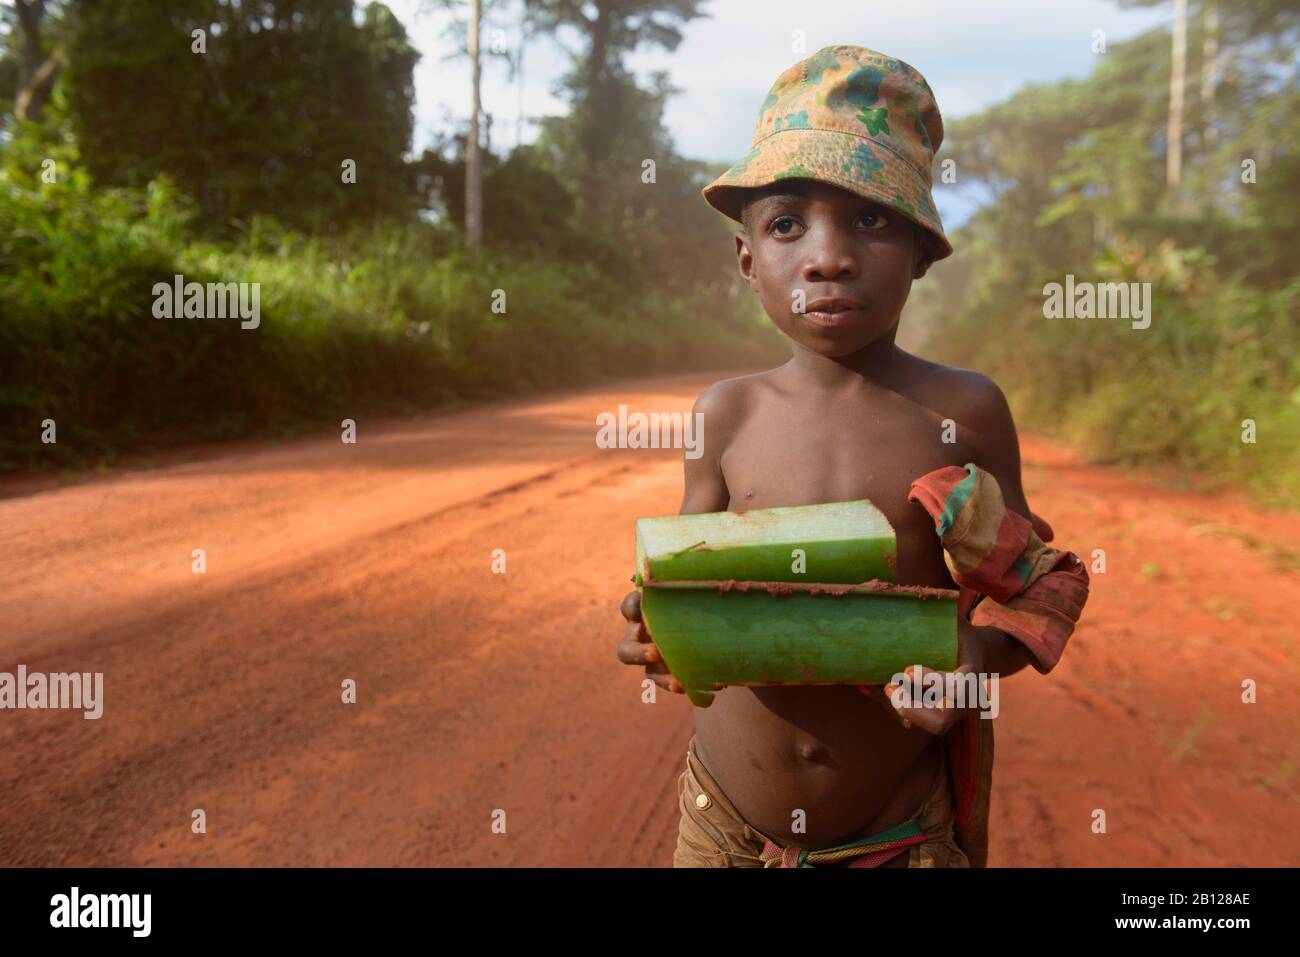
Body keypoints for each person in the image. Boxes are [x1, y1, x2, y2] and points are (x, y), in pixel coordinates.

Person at [615, 45, 1088, 868]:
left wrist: (974, 656)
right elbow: (678, 581)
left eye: (869, 219)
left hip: (900, 838)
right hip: (724, 829)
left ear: (923, 252)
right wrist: (657, 627)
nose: (828, 255)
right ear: (746, 260)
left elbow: (1041, 582)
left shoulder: (963, 410)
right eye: (787, 223)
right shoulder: (724, 414)